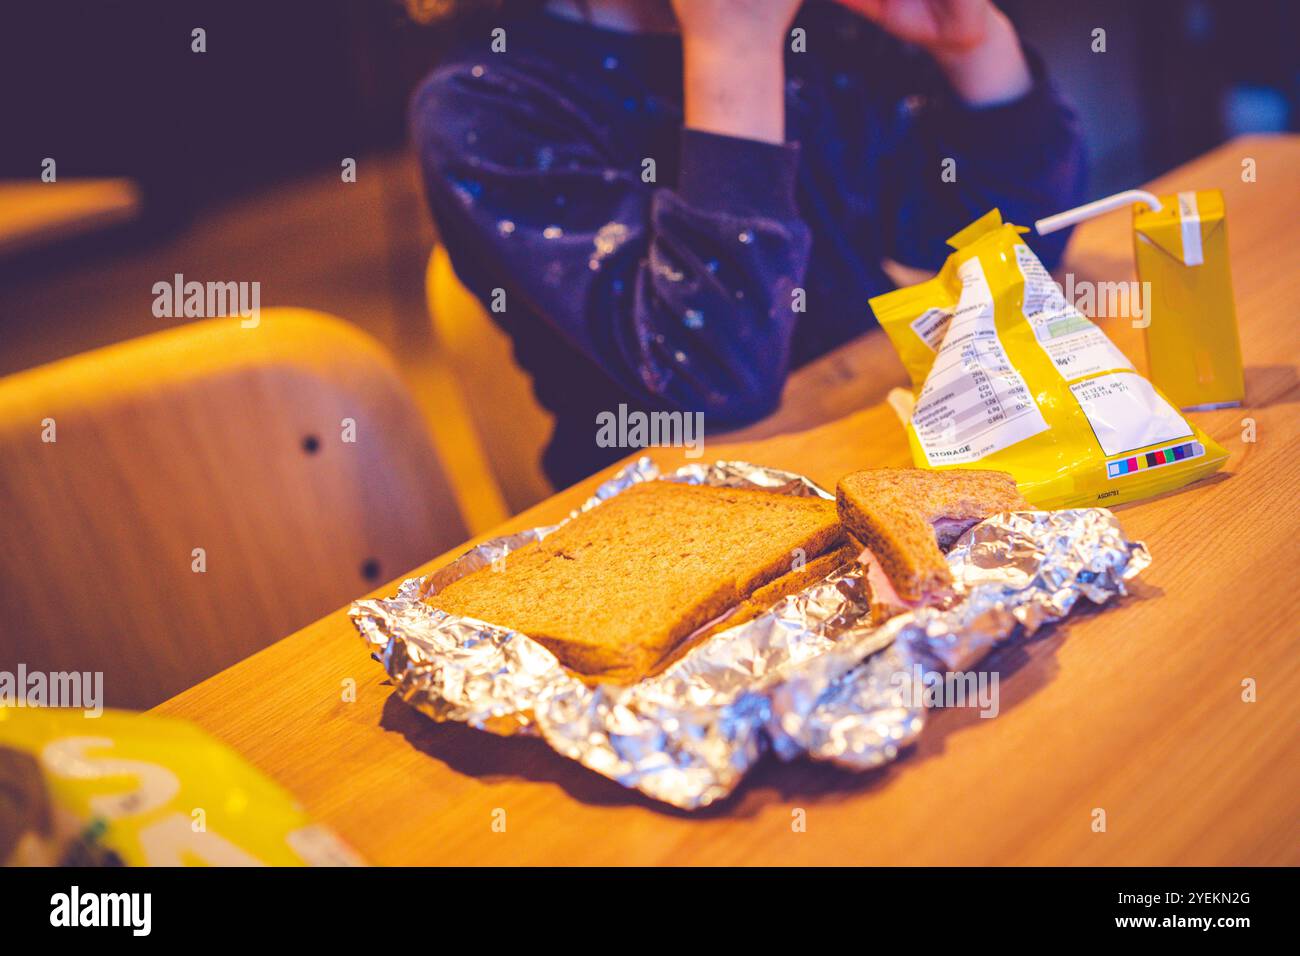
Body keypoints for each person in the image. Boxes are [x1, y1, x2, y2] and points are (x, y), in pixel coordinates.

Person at [408, 0, 1086, 487]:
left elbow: (1013, 246)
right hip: (670, 519)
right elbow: (714, 382)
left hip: (879, 443)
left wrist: (973, 49)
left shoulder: (819, 27)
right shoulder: (486, 105)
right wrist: (734, 49)